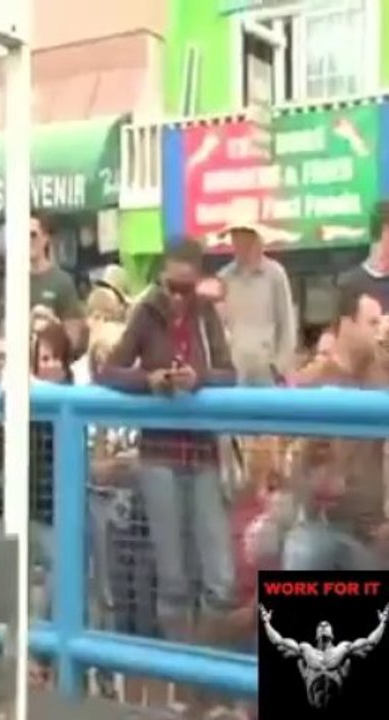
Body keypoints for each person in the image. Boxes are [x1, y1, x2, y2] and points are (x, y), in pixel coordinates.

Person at [98, 240, 237, 646]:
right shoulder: (145, 313)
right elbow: (109, 370)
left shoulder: (207, 314)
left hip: (203, 452)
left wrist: (199, 378)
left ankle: (207, 671)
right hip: (159, 454)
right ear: (161, 279)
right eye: (170, 286)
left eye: (185, 288)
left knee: (220, 578)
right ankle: (181, 672)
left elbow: (230, 373)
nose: (176, 297)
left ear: (197, 283)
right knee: (173, 578)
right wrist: (150, 381)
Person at [284, 285, 389, 571]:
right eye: (372, 322)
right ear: (347, 324)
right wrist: (311, 481)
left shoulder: (382, 374)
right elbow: (284, 456)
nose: (379, 330)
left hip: (371, 529)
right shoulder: (312, 380)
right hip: (316, 519)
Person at [260, 603, 389, 710]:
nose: (323, 627)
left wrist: (383, 622)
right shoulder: (306, 650)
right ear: (315, 634)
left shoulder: (342, 649)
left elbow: (369, 644)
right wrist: (266, 622)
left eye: (326, 626)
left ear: (332, 634)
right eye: (320, 626)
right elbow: (280, 643)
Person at [217, 220, 296, 384]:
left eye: (243, 238)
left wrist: (279, 367)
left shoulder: (275, 274)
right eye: (235, 238)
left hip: (267, 369)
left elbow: (287, 322)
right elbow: (219, 324)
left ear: (255, 240)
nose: (238, 244)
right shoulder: (224, 277)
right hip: (235, 369)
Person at [29, 212, 85, 353]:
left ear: (45, 239)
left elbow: (74, 339)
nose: (27, 240)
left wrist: (54, 324)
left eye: (33, 235)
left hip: (51, 365)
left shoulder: (62, 282)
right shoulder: (11, 282)